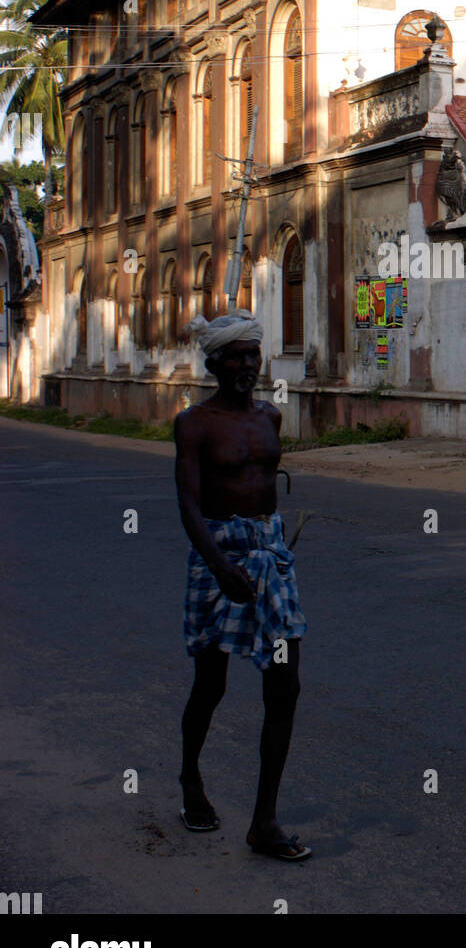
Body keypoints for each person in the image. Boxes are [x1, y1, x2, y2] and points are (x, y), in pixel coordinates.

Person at [174, 308, 310, 861]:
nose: (247, 365)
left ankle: (264, 821)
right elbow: (188, 504)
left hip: (271, 560)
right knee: (211, 684)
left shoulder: (270, 418)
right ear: (215, 362)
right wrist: (220, 567)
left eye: (253, 355)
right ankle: (189, 780)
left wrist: (261, 557)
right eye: (236, 356)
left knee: (284, 685)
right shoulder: (194, 424)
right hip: (217, 559)